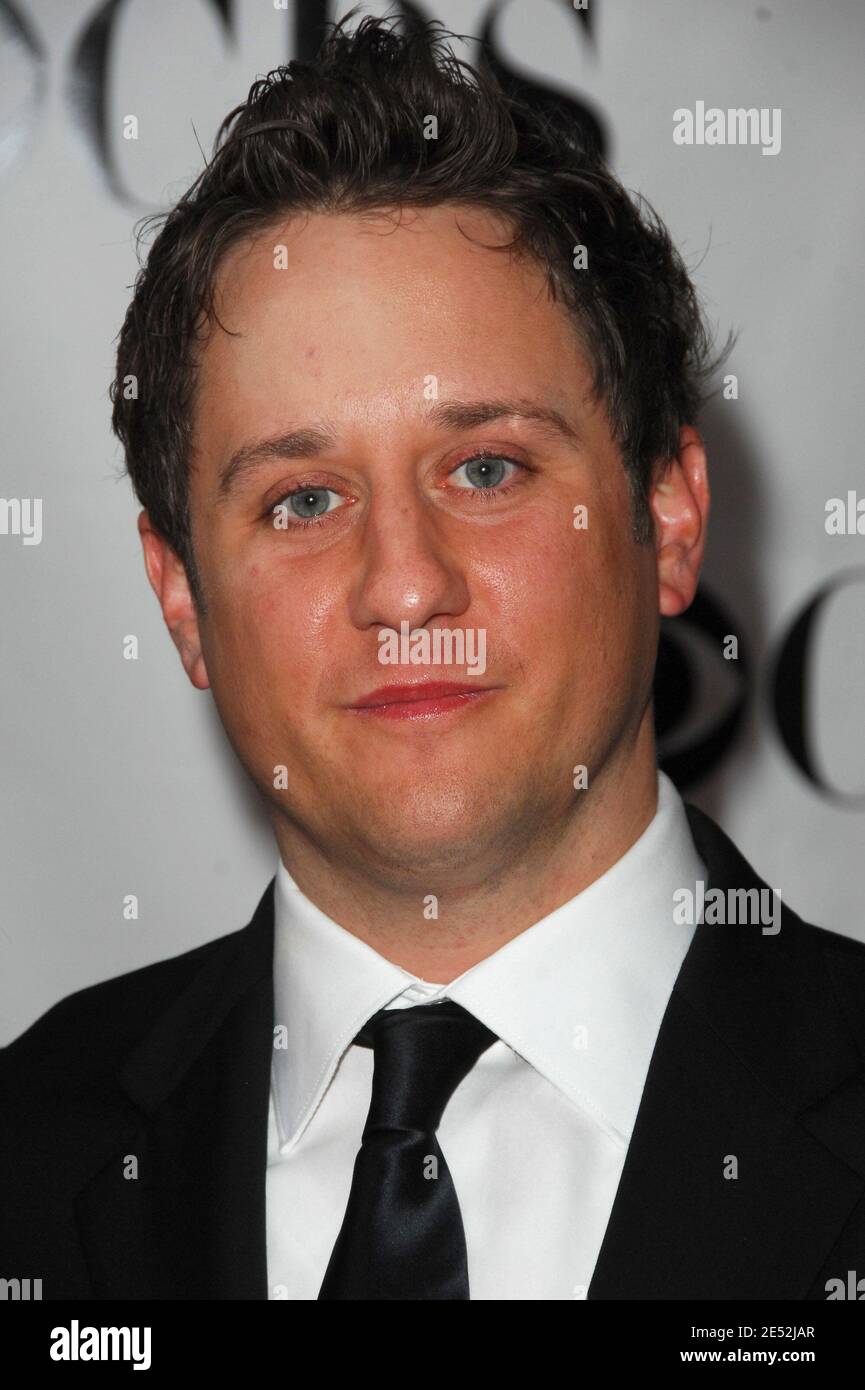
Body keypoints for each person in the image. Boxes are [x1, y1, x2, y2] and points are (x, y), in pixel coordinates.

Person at [2, 11, 864, 1302]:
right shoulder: (28, 1155)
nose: (404, 583)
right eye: (300, 498)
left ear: (668, 516)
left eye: (485, 467)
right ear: (179, 595)